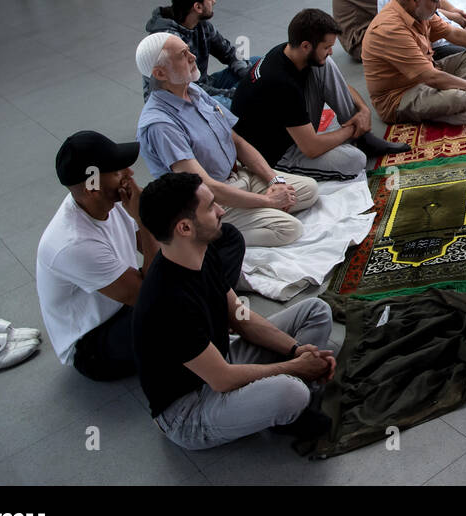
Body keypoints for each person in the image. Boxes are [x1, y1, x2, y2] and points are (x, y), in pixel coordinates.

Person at [133, 172, 337, 449]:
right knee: (292, 390)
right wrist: (296, 368)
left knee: (316, 310)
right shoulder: (166, 301)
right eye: (210, 207)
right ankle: (289, 402)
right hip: (190, 408)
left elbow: (241, 319)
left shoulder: (202, 253)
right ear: (184, 228)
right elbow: (221, 378)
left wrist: (296, 350)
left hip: (222, 358)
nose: (220, 211)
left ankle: (283, 401)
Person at [135, 32, 319, 248]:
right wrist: (269, 201)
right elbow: (206, 187)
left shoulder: (192, 90)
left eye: (188, 50)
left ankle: (258, 209)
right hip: (211, 202)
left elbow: (237, 142)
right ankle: (207, 236)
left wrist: (273, 181)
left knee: (309, 190)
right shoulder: (160, 124)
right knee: (288, 229)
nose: (193, 57)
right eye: (183, 55)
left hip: (238, 177)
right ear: (160, 73)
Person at [36, 131, 159, 381]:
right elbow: (149, 293)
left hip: (125, 306)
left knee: (221, 242)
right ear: (92, 188)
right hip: (94, 345)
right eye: (117, 171)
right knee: (170, 306)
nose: (130, 174)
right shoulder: (73, 244)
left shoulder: (106, 201)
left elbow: (163, 249)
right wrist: (144, 219)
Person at [232, 9, 408, 180]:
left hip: (285, 128)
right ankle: (359, 133)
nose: (331, 50)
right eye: (327, 47)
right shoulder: (282, 84)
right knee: (355, 161)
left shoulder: (288, 51)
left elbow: (342, 86)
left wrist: (363, 110)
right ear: (306, 45)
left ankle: (364, 137)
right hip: (273, 155)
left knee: (325, 63)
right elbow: (312, 148)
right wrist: (352, 128)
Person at [362, 0, 466, 125]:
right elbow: (430, 77)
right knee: (457, 98)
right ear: (415, 0)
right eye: (436, 1)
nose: (439, 6)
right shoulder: (390, 29)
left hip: (431, 71)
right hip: (402, 95)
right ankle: (463, 98)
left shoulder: (419, 10)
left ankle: (449, 105)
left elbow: (453, 33)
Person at [144, 0, 249, 104]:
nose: (214, 2)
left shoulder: (201, 25)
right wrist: (233, 94)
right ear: (198, 7)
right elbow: (190, 89)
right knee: (240, 103)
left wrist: (248, 75)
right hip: (180, 102)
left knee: (256, 67)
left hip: (201, 84)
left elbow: (230, 54)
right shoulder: (169, 43)